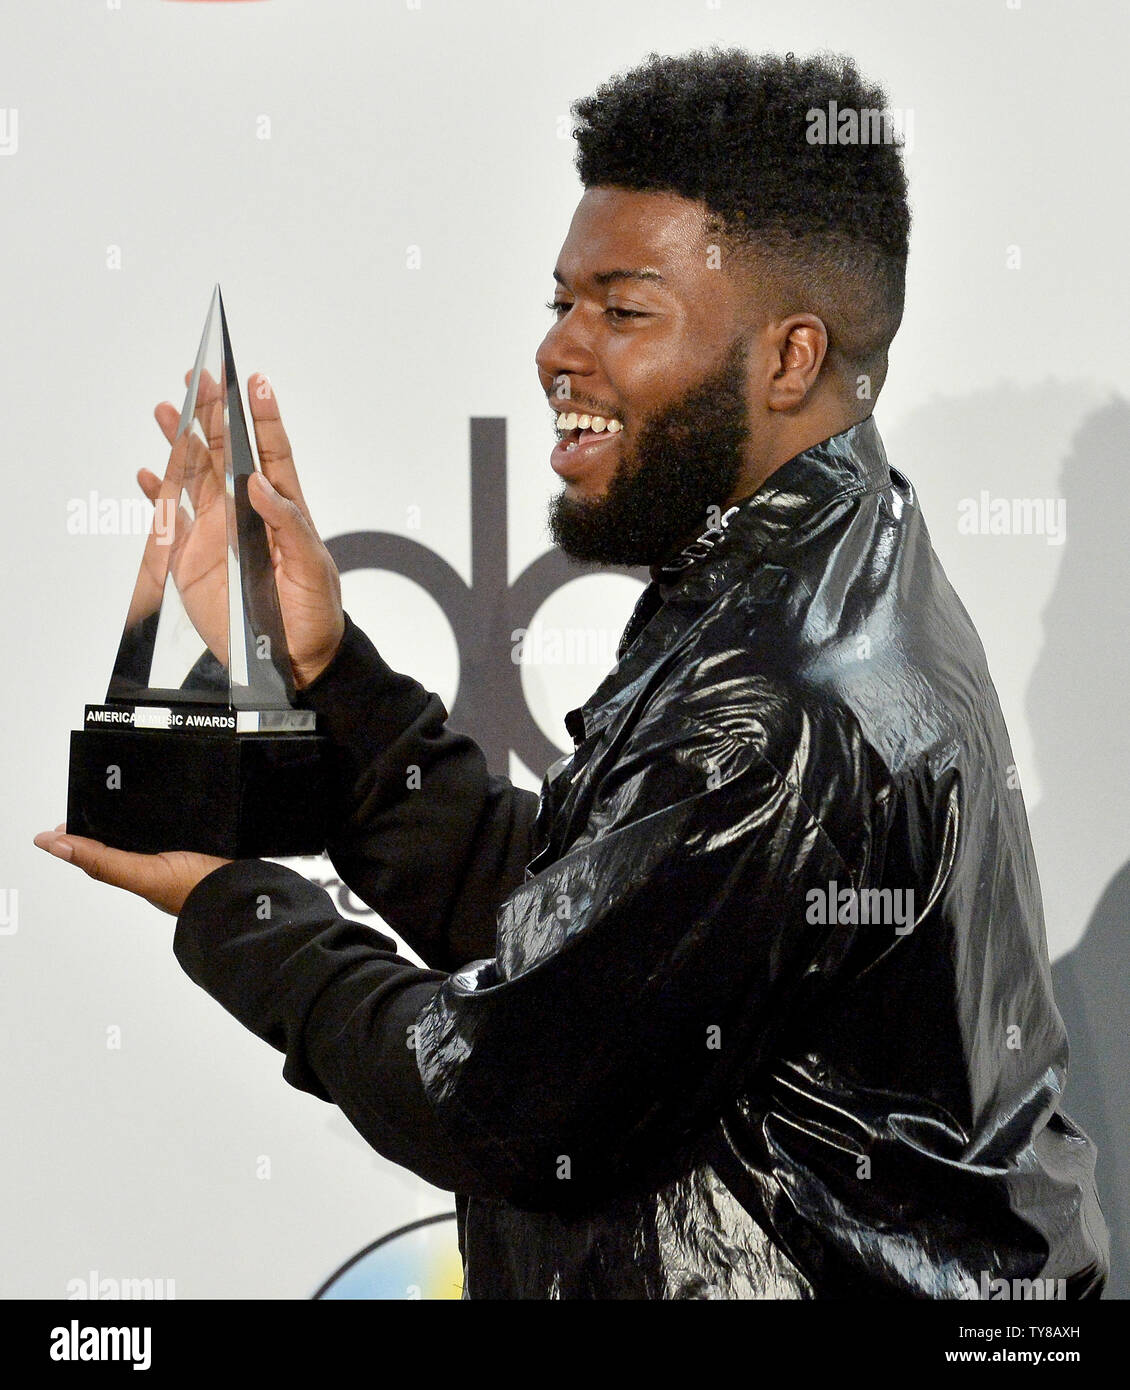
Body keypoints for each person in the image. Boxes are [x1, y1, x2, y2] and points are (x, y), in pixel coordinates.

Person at [36, 49, 1108, 1299]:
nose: (558, 350)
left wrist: (236, 908)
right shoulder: (808, 569)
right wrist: (330, 679)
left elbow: (499, 1094)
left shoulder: (776, 698)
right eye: (559, 302)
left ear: (788, 357)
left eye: (621, 308)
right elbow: (597, 932)